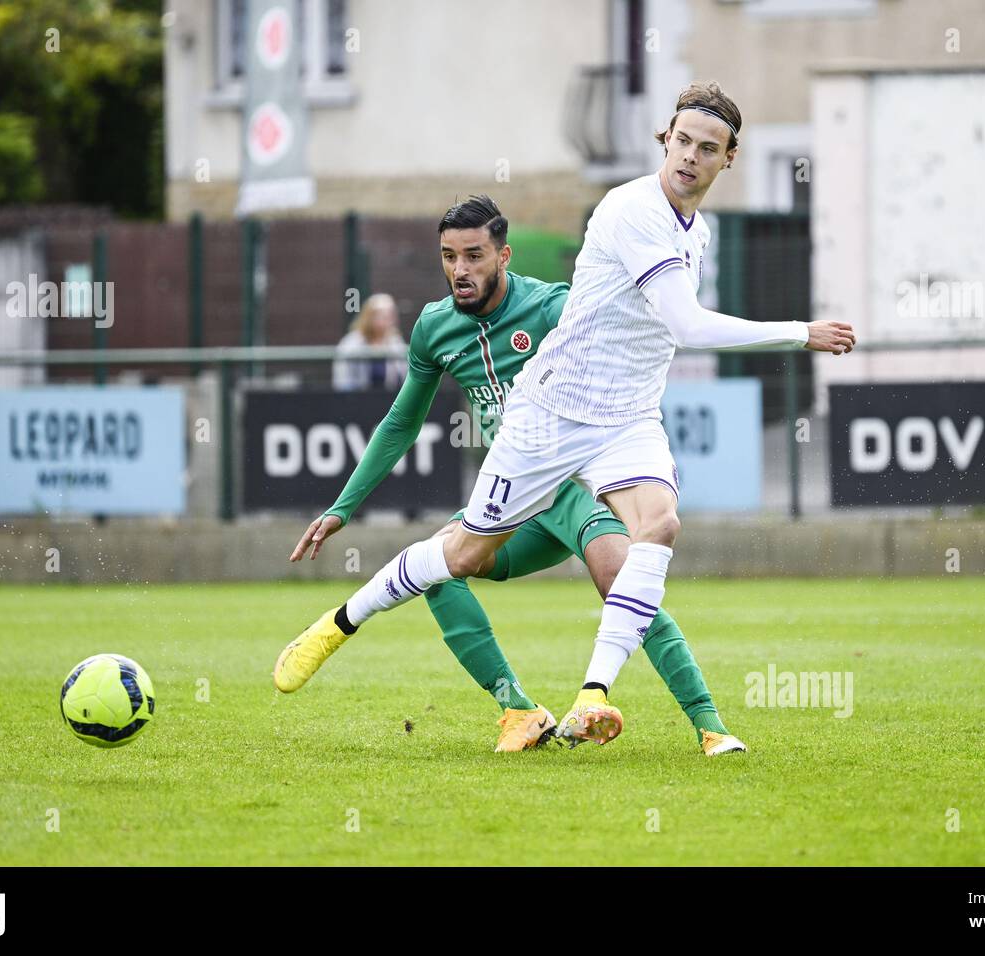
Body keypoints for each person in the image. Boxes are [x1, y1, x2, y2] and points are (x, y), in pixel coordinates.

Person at [276, 81, 856, 750]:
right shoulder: (627, 214)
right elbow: (402, 421)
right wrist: (800, 332)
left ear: (728, 159)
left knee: (654, 530)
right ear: (664, 140)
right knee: (456, 558)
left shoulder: (676, 241)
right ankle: (349, 628)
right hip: (550, 426)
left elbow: (672, 324)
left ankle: (643, 710)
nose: (690, 157)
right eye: (683, 142)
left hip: (621, 425)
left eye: (708, 148)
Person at [286, 196, 743, 755]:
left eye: (474, 255)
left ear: (503, 255)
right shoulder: (434, 328)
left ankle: (710, 726)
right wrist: (343, 507)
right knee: (443, 572)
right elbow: (402, 421)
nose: (460, 270)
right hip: (518, 502)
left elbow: (624, 358)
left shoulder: (555, 309)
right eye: (449, 257)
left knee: (619, 580)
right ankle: (520, 709)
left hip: (577, 488)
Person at [331, 293, 407, 391]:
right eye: (381, 314)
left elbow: (404, 376)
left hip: (388, 400)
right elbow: (342, 380)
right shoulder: (352, 342)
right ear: (368, 316)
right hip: (357, 400)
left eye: (390, 315)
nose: (387, 319)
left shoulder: (396, 341)